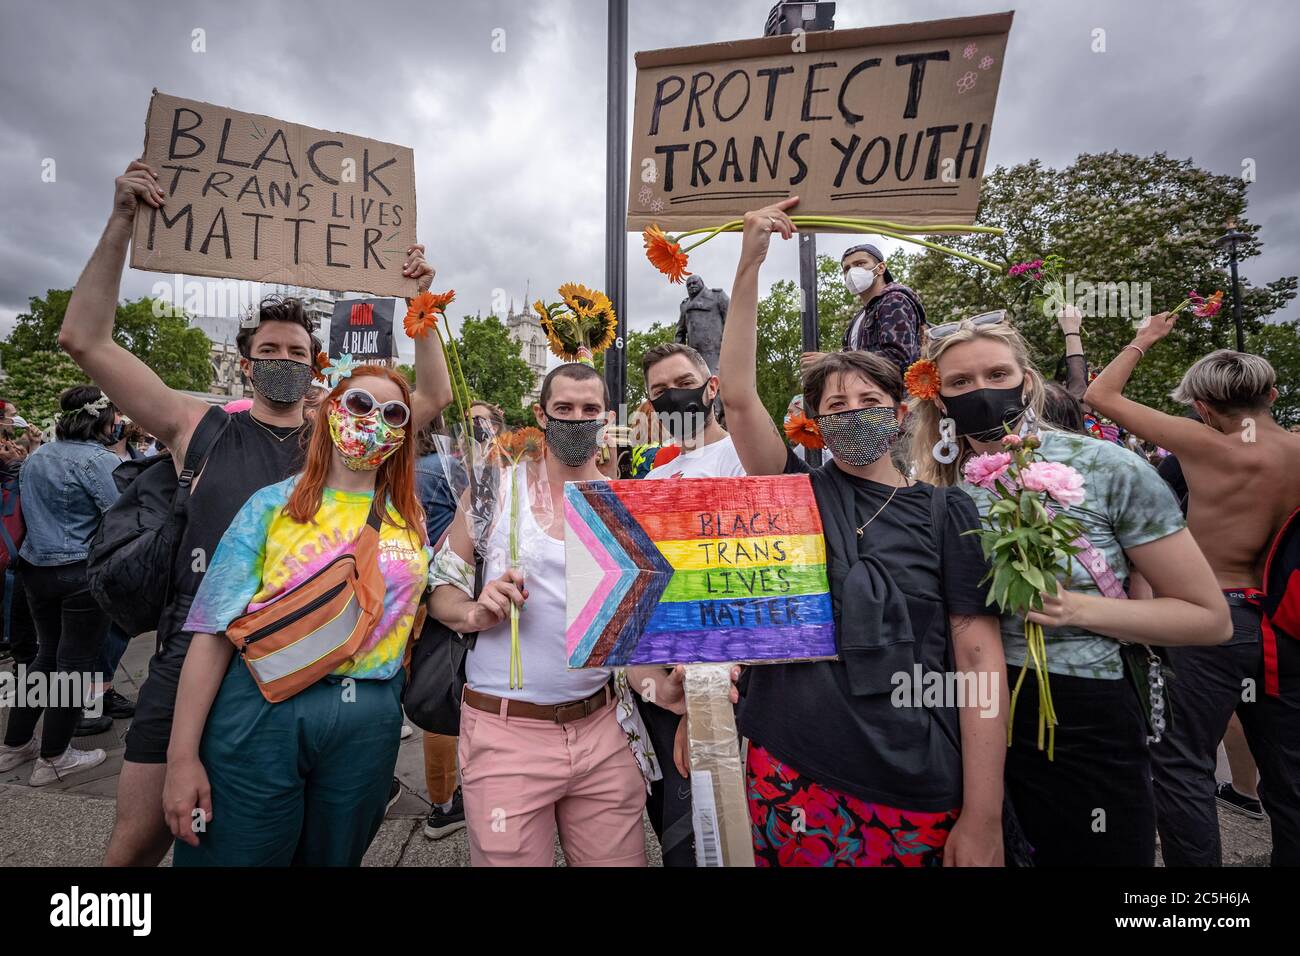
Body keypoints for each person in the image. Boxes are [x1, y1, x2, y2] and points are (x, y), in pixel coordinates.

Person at [58, 159, 452, 866]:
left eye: (296, 353)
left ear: (318, 367)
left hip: (315, 672)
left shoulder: (344, 433)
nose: (282, 361)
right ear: (245, 363)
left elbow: (428, 398)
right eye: (267, 351)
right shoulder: (196, 424)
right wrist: (121, 222)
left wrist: (421, 304)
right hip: (196, 650)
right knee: (145, 837)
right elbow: (85, 342)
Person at [719, 199, 1008, 866]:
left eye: (868, 402)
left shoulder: (949, 514)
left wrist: (984, 815)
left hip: (914, 782)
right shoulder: (791, 492)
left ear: (901, 413)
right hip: (787, 769)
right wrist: (749, 263)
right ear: (814, 424)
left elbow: (978, 662)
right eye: (834, 406)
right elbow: (737, 395)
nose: (852, 414)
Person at [908, 310, 1232, 866]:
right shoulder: (937, 488)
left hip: (1083, 710)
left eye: (997, 375)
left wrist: (1078, 608)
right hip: (969, 713)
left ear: (1026, 381)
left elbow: (1207, 618)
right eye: (960, 382)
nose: (980, 392)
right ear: (939, 398)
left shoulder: (1106, 466)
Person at [161, 367, 428, 865]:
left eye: (393, 413)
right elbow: (212, 633)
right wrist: (181, 757)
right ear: (330, 412)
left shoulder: (410, 518)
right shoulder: (271, 505)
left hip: (368, 720)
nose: (375, 422)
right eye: (361, 405)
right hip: (264, 706)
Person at [428, 362, 662, 867]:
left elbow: (636, 629)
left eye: (589, 410)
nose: (577, 420)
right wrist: (475, 611)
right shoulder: (494, 493)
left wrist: (670, 688)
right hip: (505, 733)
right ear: (541, 415)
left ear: (606, 420)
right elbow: (440, 589)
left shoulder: (627, 507)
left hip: (602, 730)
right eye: (564, 410)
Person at [1086, 328, 1300, 866]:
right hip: (1286, 623)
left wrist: (1143, 338)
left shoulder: (1201, 444)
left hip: (1212, 622)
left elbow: (1098, 397)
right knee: (1291, 770)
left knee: (1181, 766)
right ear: (1272, 395)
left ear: (1203, 408)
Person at [0, 386, 121, 784]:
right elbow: (118, 516)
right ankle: (54, 757)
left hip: (36, 568)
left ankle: (15, 744)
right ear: (101, 419)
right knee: (73, 666)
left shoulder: (39, 455)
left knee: (45, 658)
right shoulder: (98, 460)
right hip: (79, 573)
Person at [414, 401, 503, 841]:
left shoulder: (425, 468)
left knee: (443, 696)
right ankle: (461, 797)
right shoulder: (475, 476)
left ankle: (443, 802)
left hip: (434, 589)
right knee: (456, 694)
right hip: (461, 590)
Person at [801, 242, 926, 381]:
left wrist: (833, 360)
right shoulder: (860, 317)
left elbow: (898, 359)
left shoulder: (894, 301)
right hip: (866, 395)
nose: (852, 272)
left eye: (860, 264)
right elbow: (853, 364)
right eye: (847, 269)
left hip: (894, 398)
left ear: (881, 268)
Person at [643, 342, 745, 480]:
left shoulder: (744, 458)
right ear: (652, 406)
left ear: (712, 388)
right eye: (660, 391)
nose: (673, 397)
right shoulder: (653, 477)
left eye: (685, 383)